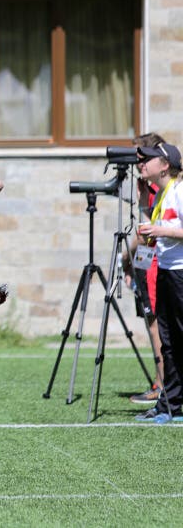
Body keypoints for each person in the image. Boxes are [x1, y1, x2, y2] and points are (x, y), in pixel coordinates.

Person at [133, 142, 183, 424]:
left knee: (179, 337)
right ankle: (169, 406)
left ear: (164, 165)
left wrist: (159, 229)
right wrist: (144, 207)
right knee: (169, 341)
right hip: (165, 270)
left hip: (180, 272)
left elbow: (169, 230)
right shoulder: (163, 194)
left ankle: (171, 404)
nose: (141, 164)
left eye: (147, 160)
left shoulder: (180, 190)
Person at [123, 133, 166, 404]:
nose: (136, 163)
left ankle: (162, 384)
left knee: (156, 326)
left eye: (140, 157)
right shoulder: (147, 187)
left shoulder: (164, 187)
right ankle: (163, 382)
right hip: (148, 262)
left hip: (158, 264)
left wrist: (124, 258)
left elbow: (146, 232)